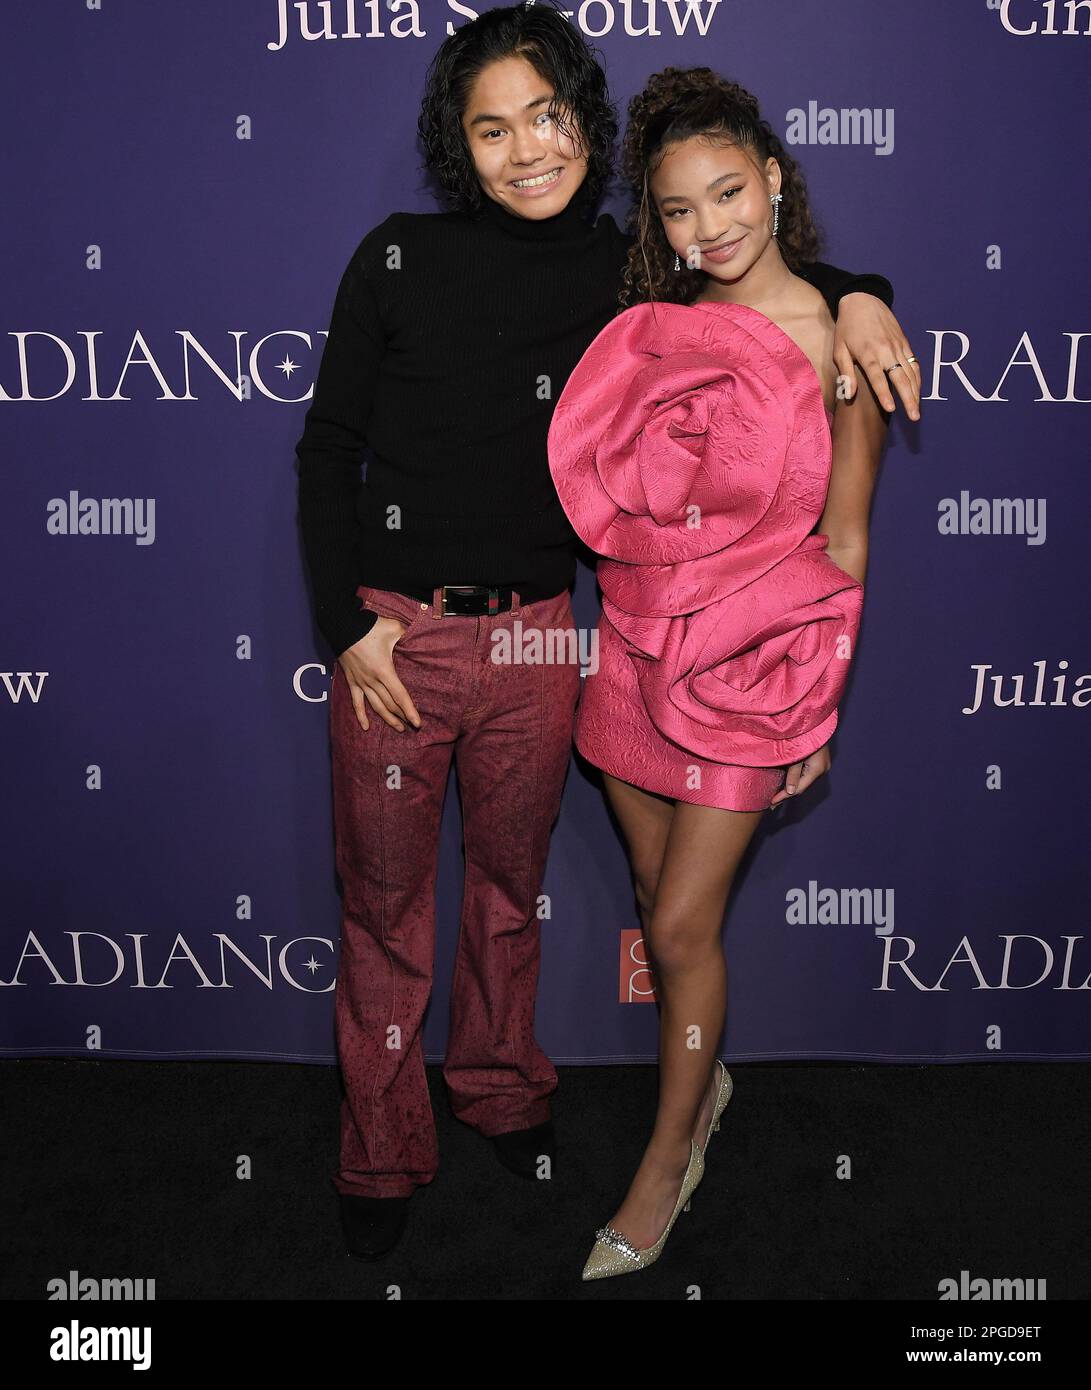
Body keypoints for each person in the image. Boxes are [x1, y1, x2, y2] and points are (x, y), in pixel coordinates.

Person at [295, 3, 916, 1262]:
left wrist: (861, 295)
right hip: (400, 647)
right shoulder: (400, 256)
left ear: (583, 123)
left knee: (512, 898)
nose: (525, 149)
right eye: (491, 128)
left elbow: (766, 279)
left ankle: (507, 1096)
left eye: (547, 116)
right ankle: (379, 1147)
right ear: (455, 147)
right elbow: (327, 448)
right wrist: (341, 627)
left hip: (546, 642)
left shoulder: (619, 270)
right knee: (384, 913)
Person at [547, 65, 897, 1280]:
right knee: (657, 902)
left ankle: (668, 1154)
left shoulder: (840, 342)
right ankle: (707, 1068)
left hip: (752, 674)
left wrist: (821, 700)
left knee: (685, 921)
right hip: (632, 644)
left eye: (730, 193)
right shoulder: (655, 322)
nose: (709, 228)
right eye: (680, 209)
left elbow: (842, 539)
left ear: (775, 182)